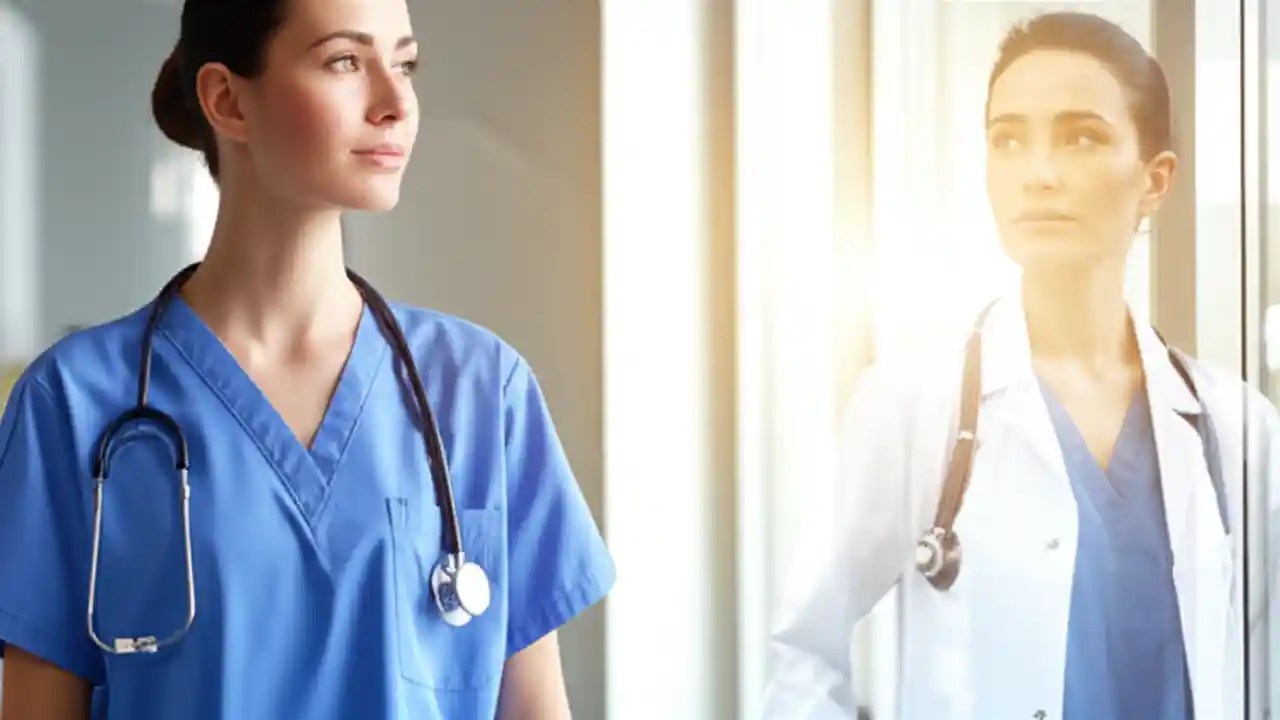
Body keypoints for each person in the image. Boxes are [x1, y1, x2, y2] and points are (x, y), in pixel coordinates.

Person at [0, 0, 615, 718]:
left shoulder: (482, 392)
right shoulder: (74, 404)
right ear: (227, 100)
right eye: (346, 62)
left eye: (406, 64)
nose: (395, 104)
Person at [762, 11, 1275, 719]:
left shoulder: (1236, 427)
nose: (1038, 173)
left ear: (1155, 181)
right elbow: (803, 650)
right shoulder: (916, 406)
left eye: (1082, 137)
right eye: (1008, 140)